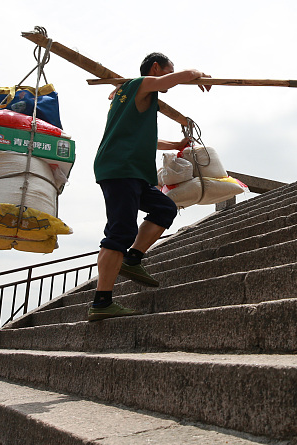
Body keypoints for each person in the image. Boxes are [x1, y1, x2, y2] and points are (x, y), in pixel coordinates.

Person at [89, 52, 211, 321]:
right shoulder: (139, 84)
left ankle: (133, 259)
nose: (169, 80)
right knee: (120, 231)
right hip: (121, 168)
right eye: (168, 71)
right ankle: (101, 302)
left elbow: (148, 140)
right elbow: (186, 76)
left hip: (131, 171)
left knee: (164, 208)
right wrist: (197, 73)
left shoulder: (129, 98)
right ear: (156, 68)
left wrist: (176, 146)